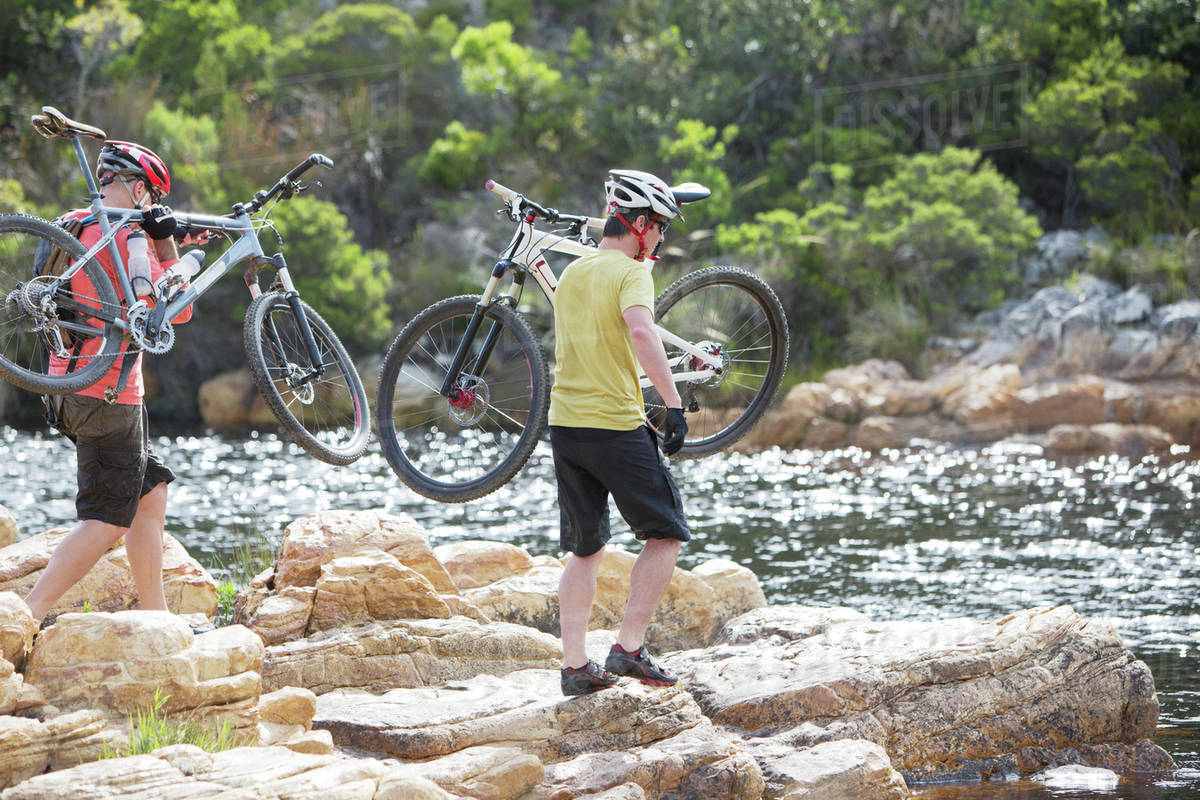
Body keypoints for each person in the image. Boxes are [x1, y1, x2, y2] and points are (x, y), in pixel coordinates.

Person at [24, 140, 192, 624]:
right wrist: (166, 242)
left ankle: (155, 615)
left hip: (68, 386)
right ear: (141, 189)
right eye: (154, 197)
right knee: (105, 520)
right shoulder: (133, 238)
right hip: (109, 395)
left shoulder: (80, 227)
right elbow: (179, 311)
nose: (154, 207)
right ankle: (24, 615)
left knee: (150, 490)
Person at [552, 168, 691, 696]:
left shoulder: (574, 273)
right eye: (657, 226)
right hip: (614, 425)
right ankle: (629, 648)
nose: (659, 237)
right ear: (635, 223)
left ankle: (574, 667)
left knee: (586, 549)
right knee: (666, 533)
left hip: (565, 427)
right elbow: (639, 330)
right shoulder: (633, 273)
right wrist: (673, 404)